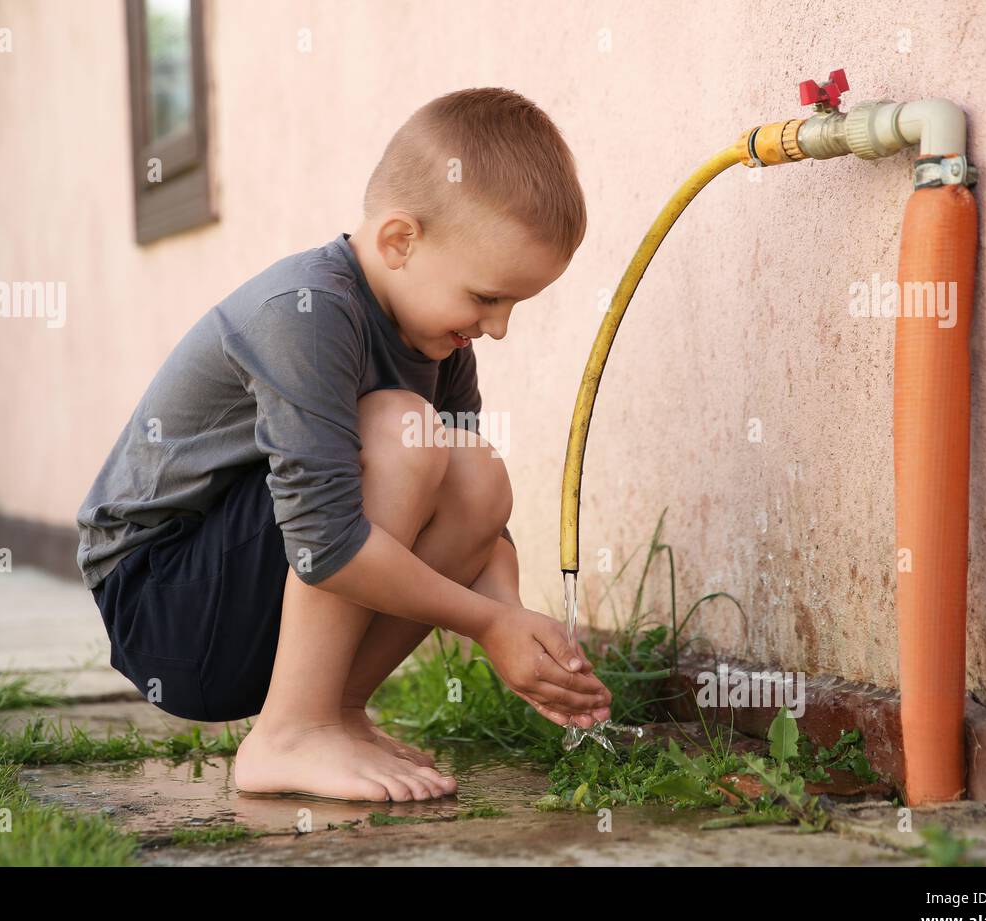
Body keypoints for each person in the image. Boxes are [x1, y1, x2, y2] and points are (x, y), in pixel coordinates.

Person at [77, 87, 611, 802]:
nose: (498, 326)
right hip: (165, 603)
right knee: (401, 430)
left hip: (255, 598)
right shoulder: (309, 313)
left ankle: (333, 714)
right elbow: (326, 540)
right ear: (399, 241)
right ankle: (291, 732)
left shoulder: (439, 340)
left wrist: (513, 619)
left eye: (514, 304)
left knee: (476, 474)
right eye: (487, 297)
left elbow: (480, 523)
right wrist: (488, 624)